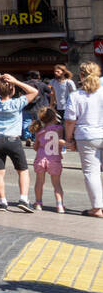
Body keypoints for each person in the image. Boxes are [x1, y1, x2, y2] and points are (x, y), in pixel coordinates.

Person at [0, 73, 40, 213]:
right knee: (22, 171)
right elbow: (34, 91)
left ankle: (2, 202)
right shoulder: (17, 102)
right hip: (13, 140)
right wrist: (16, 81)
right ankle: (23, 199)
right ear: (12, 90)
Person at [64, 62, 103, 218]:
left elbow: (70, 120)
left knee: (91, 173)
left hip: (86, 136)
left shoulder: (76, 95)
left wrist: (68, 139)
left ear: (80, 75)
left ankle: (97, 208)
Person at [30, 106, 65, 213]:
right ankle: (60, 205)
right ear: (54, 117)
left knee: (39, 182)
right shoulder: (59, 129)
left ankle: (38, 203)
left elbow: (35, 146)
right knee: (57, 184)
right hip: (54, 158)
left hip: (41, 157)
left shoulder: (39, 130)